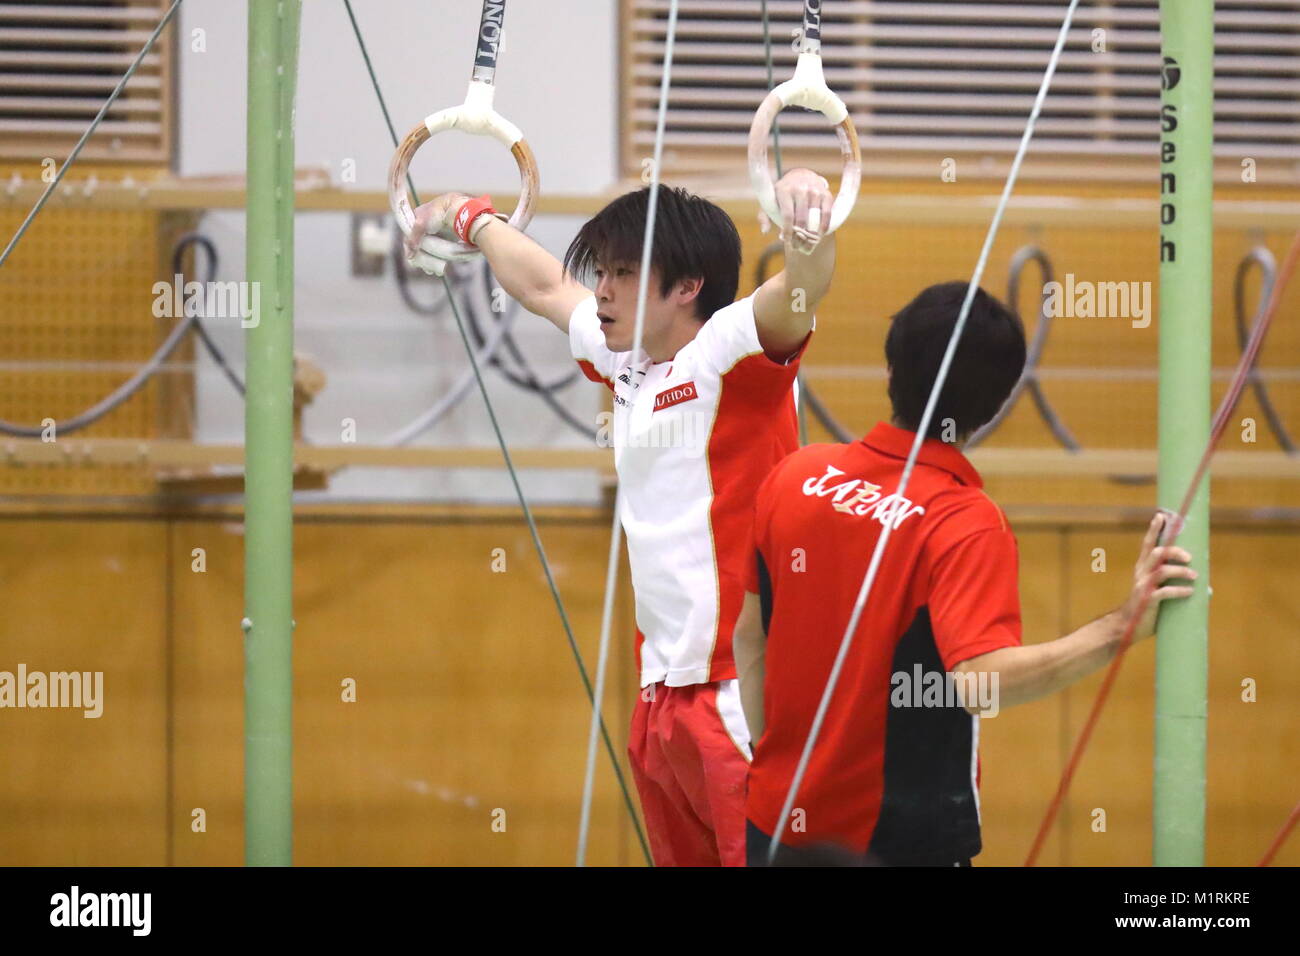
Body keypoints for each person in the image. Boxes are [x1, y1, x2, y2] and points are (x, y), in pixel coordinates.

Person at [404, 169, 837, 866]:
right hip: (662, 693)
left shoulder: (727, 351)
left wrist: (810, 229)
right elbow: (547, 287)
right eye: (601, 271)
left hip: (738, 688)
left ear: (688, 286)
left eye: (624, 273)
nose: (602, 289)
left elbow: (800, 291)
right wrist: (470, 219)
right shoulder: (626, 362)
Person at [733, 281, 1197, 866]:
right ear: (996, 403)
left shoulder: (796, 476)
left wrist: (776, 768)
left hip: (773, 826)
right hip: (896, 845)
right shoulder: (964, 523)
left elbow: (748, 639)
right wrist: (1118, 627)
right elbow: (983, 680)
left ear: (890, 368)